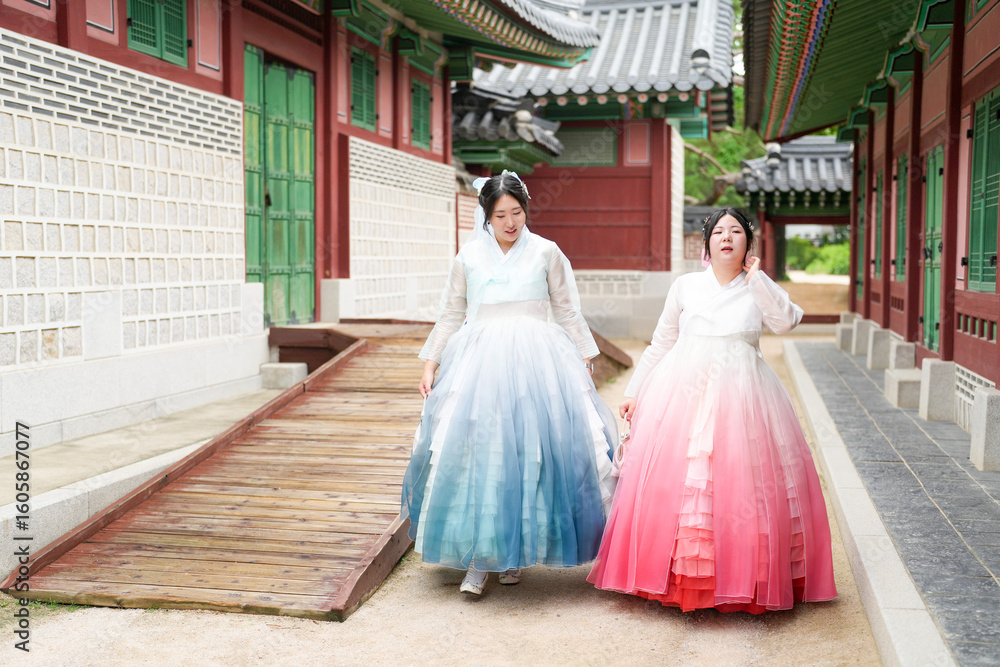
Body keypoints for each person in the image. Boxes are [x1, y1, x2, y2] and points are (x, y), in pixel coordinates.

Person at [587, 208, 837, 613]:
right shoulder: (686, 286)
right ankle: (679, 575)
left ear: (748, 243)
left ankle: (743, 576)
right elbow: (661, 342)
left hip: (744, 395)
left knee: (741, 477)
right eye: (718, 231)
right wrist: (634, 391)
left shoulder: (757, 286)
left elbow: (786, 322)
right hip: (683, 391)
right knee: (688, 479)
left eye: (736, 231)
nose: (727, 237)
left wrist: (758, 280)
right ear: (707, 243)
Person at [401, 171, 617, 596]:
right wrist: (431, 363)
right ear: (487, 216)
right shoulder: (468, 257)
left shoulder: (546, 252)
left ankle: (517, 552)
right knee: (480, 454)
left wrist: (585, 355)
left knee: (531, 453)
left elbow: (566, 309)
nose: (510, 222)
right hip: (479, 363)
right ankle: (479, 560)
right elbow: (451, 313)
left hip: (538, 361)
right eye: (500, 215)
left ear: (526, 210)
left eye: (516, 212)